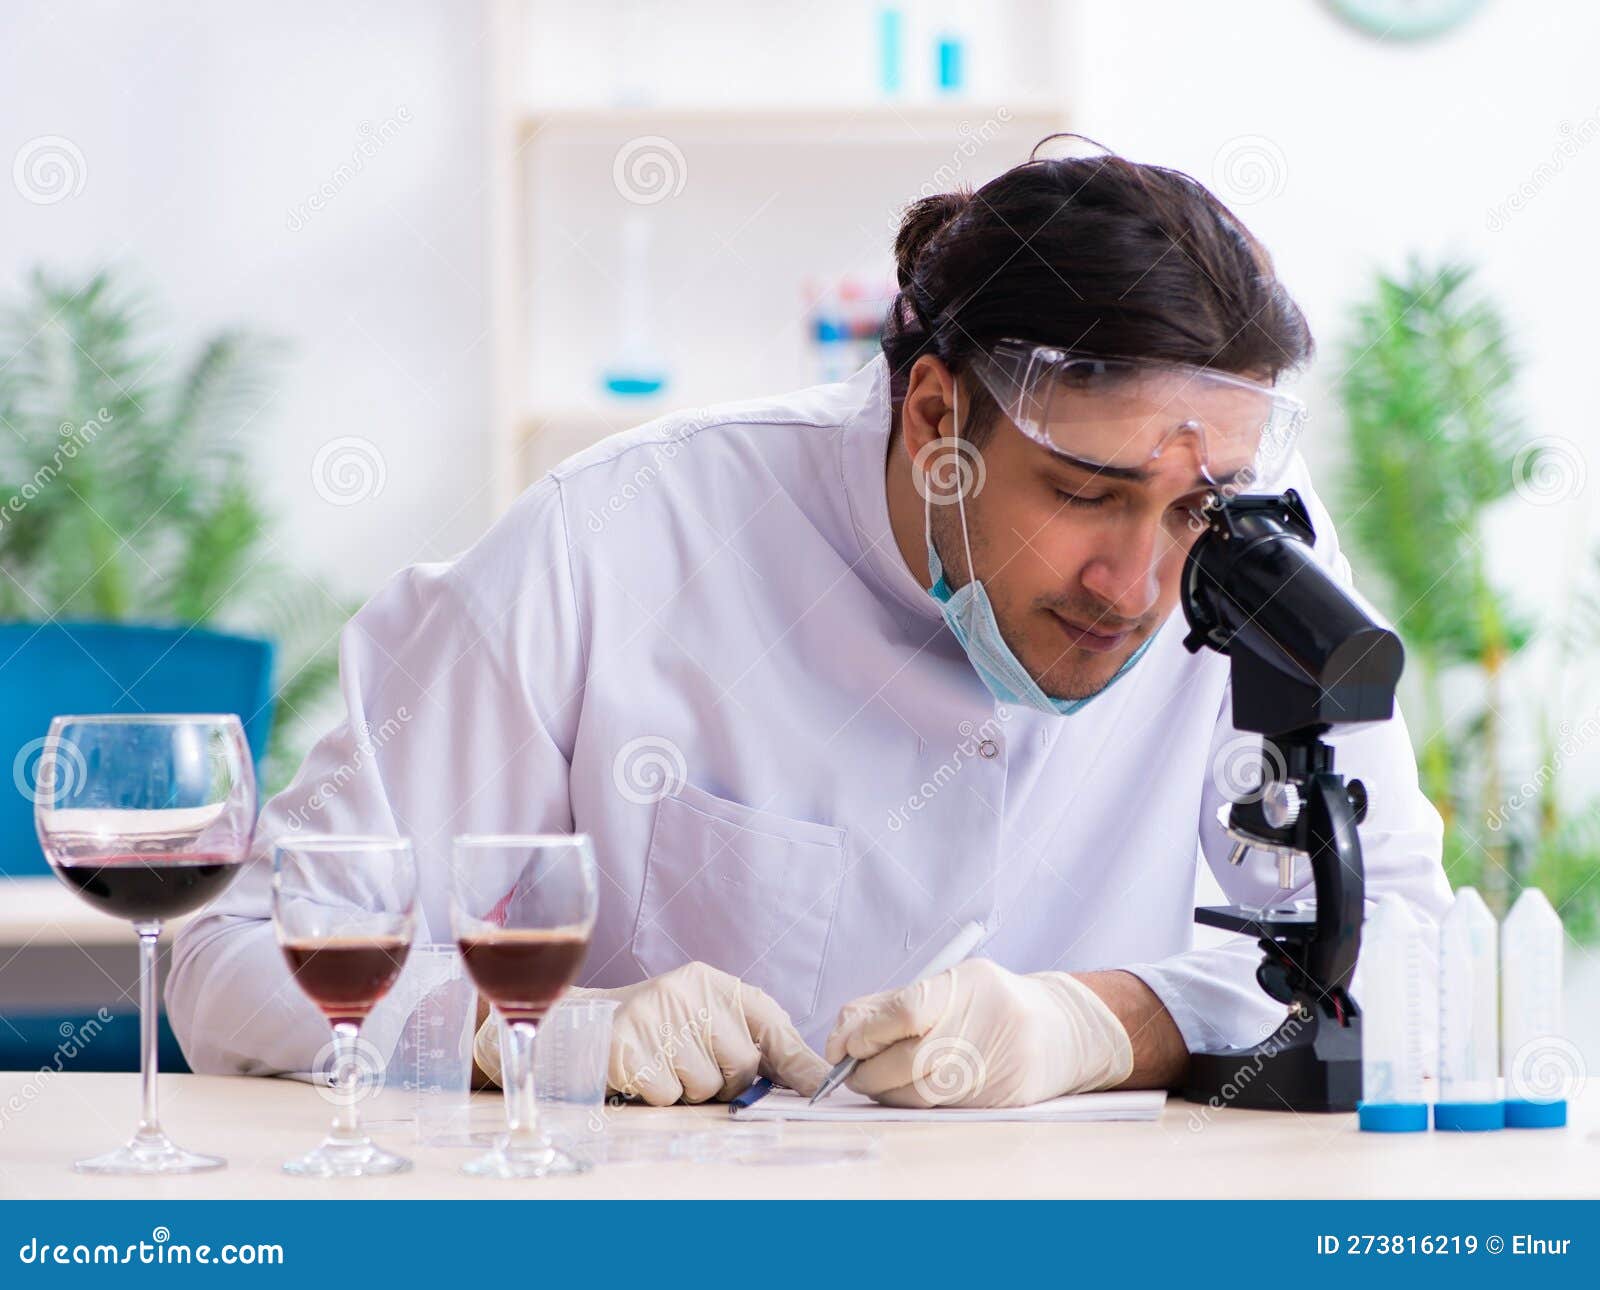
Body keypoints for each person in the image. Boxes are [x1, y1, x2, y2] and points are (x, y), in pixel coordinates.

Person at [168, 139, 1450, 1110]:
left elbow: (1404, 950)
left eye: (1191, 509)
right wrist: (547, 1033)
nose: (1135, 583)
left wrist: (1107, 1023)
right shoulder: (614, 540)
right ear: (937, 417)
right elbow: (233, 957)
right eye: (1082, 492)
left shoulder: (1249, 557)